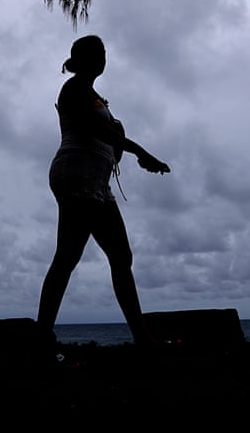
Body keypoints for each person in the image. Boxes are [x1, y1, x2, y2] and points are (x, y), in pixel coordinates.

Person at [36, 35, 170, 347]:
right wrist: (141, 151)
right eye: (97, 53)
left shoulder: (96, 96)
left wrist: (122, 144)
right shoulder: (73, 89)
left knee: (121, 256)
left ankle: (142, 338)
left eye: (104, 53)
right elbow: (96, 131)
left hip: (97, 182)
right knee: (67, 256)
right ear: (80, 59)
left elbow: (110, 145)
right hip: (75, 176)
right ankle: (41, 336)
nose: (103, 58)